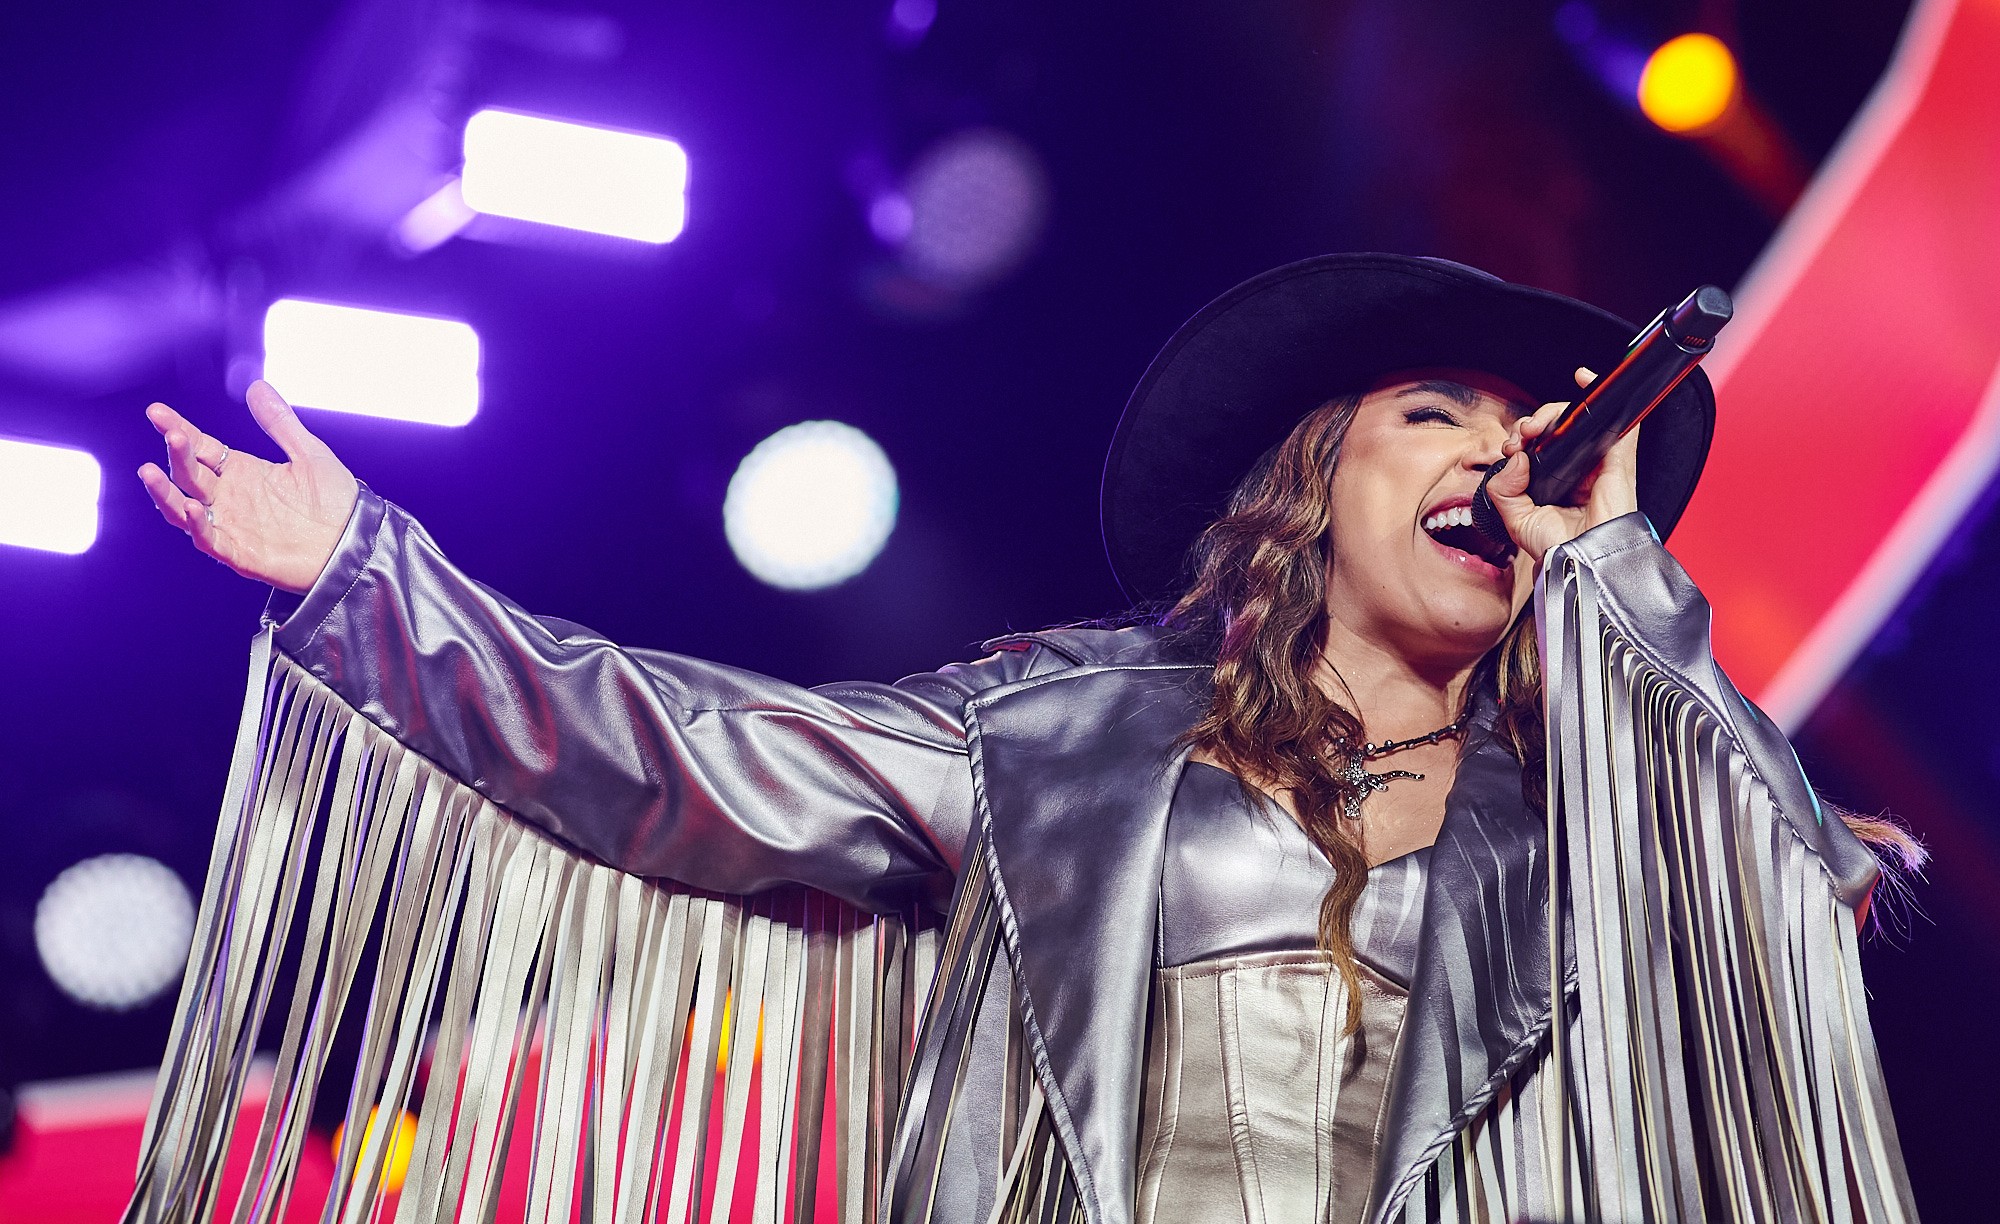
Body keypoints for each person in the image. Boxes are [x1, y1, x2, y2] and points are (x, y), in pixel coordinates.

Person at [131, 254, 1918, 1224]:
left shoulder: (1600, 821)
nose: (1496, 459)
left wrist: (1612, 569)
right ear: (1314, 481)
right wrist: (369, 577)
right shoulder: (1056, 733)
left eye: (1533, 442)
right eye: (1434, 413)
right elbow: (682, 747)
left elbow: (1789, 923)